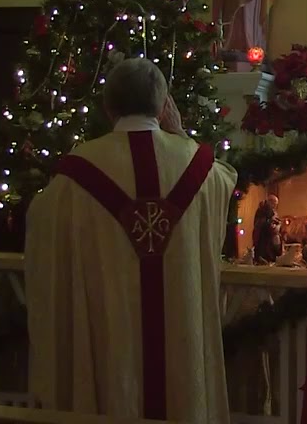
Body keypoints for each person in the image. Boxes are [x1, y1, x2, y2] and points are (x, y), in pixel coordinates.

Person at [26, 57, 237, 421]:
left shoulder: (77, 172)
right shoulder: (198, 167)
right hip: (180, 344)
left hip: (109, 341)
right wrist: (181, 135)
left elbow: (41, 228)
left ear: (108, 107)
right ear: (162, 105)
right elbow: (225, 180)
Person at [253, 193, 282, 263]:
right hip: (263, 238)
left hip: (272, 237)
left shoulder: (273, 211)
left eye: (276, 204)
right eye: (274, 203)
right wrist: (270, 222)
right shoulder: (262, 210)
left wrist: (278, 225)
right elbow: (259, 223)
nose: (275, 206)